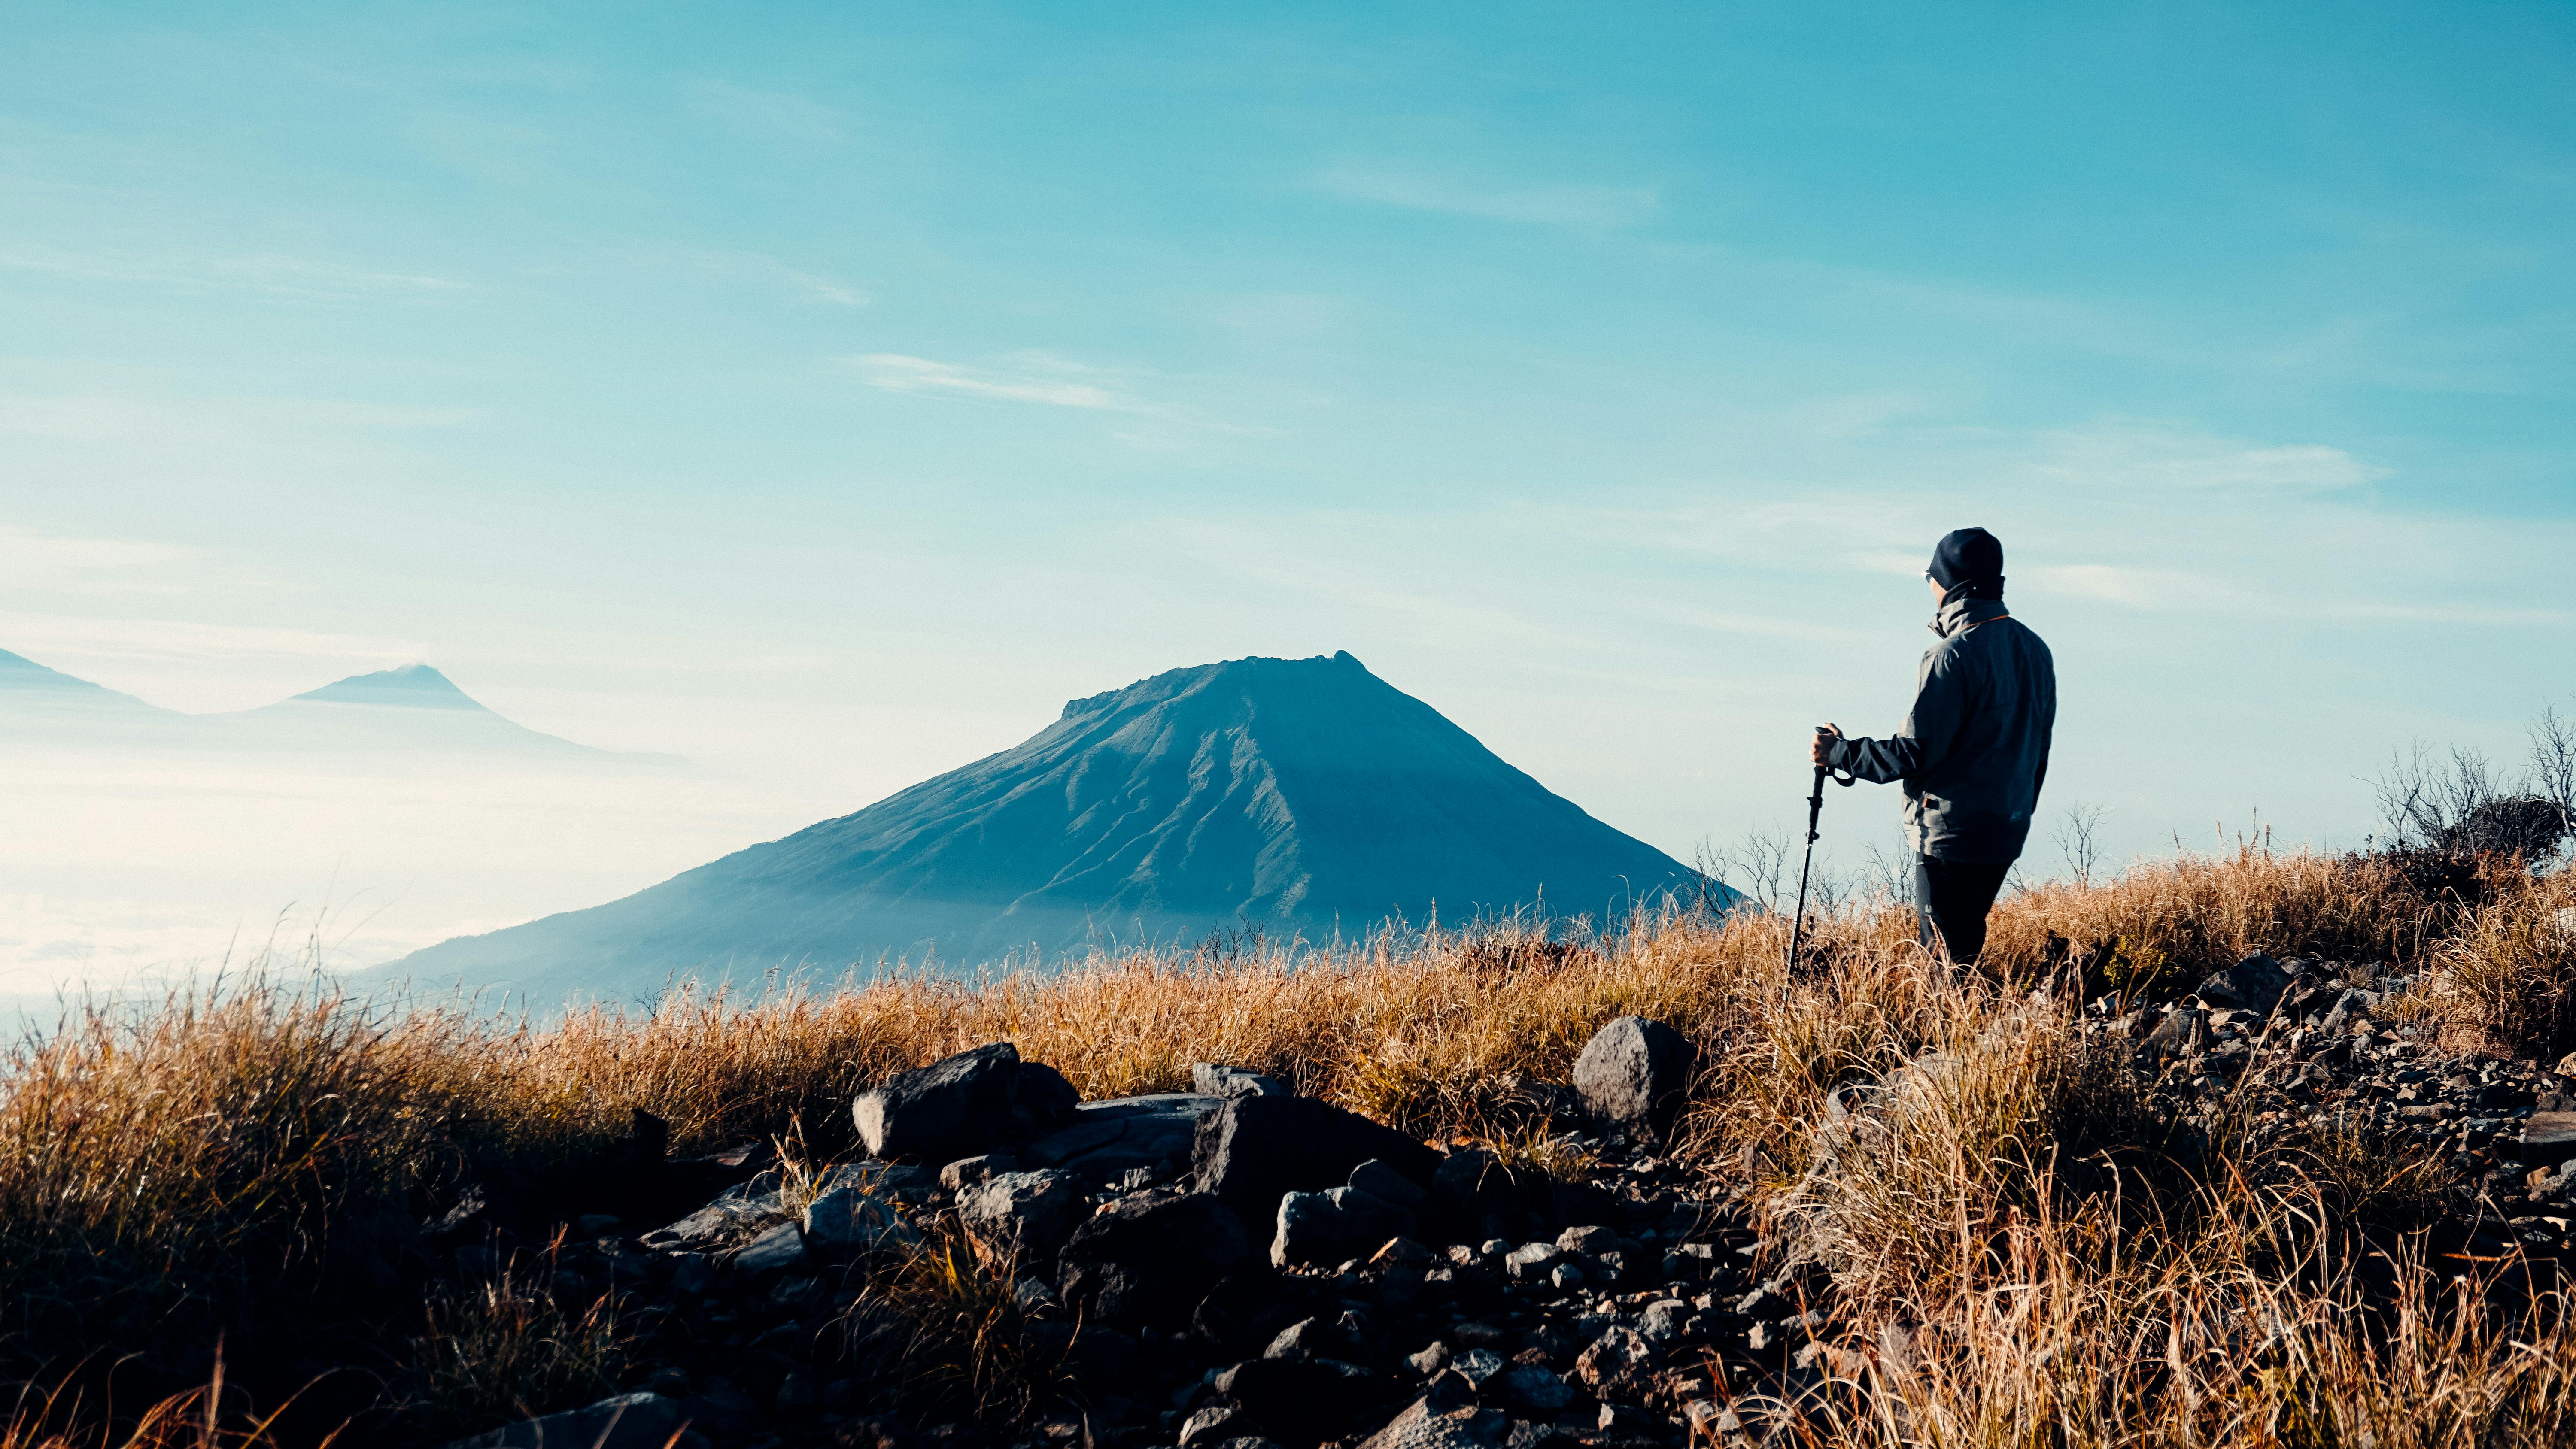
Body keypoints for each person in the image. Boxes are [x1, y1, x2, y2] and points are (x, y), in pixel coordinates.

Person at [1808, 527, 2055, 967]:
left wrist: (1839, 753)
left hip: (1951, 834)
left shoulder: (1950, 656)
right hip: (2007, 827)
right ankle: (1975, 1031)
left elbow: (1912, 753)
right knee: (1963, 949)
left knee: (1941, 962)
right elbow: (2039, 749)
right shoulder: (2035, 650)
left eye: (1931, 575)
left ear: (1950, 584)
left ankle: (1948, 1035)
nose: (1929, 585)